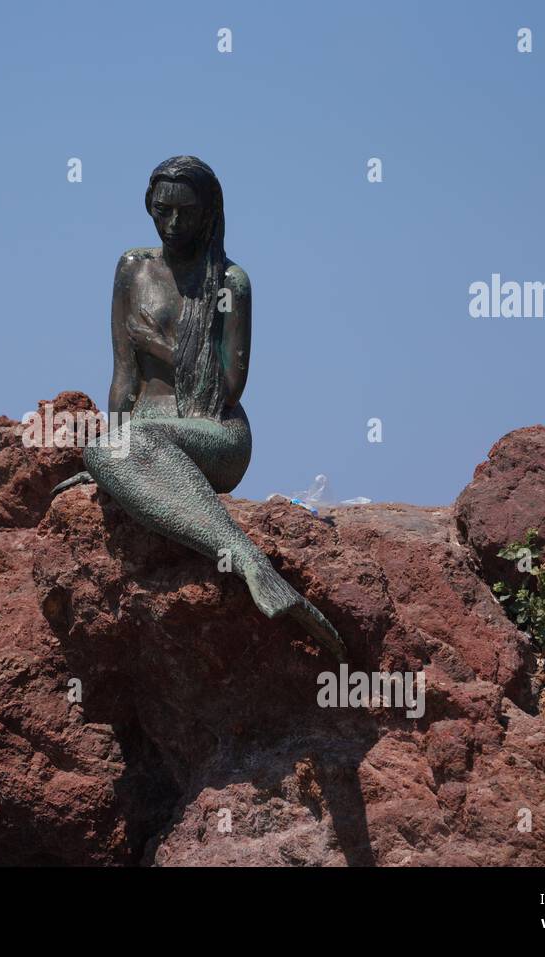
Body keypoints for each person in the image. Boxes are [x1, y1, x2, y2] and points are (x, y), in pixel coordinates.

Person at [52, 156, 345, 661]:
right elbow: (124, 375)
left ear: (209, 214)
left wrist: (161, 344)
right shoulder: (132, 269)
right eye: (161, 211)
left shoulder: (231, 283)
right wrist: (110, 457)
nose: (172, 224)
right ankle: (247, 561)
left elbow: (231, 387)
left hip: (216, 435)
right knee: (108, 447)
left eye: (185, 213)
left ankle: (250, 562)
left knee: (115, 448)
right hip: (143, 439)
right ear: (148, 207)